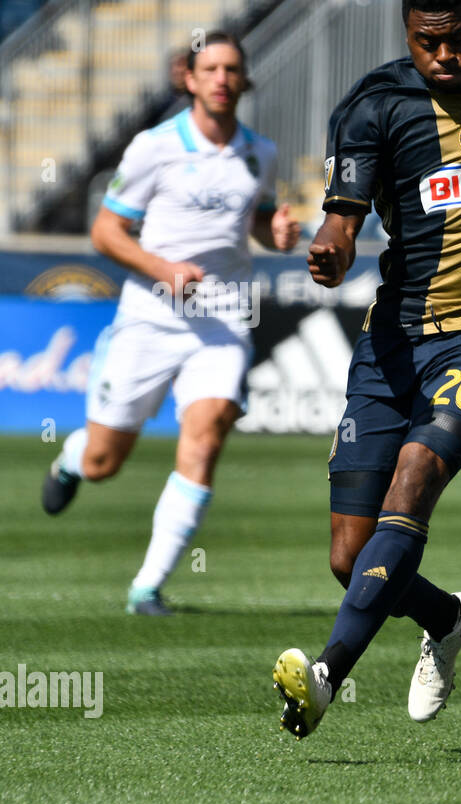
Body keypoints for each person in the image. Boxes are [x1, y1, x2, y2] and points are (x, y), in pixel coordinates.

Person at [271, 0, 461, 739]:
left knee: (416, 475)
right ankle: (447, 617)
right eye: (427, 41)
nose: (444, 54)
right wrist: (331, 248)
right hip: (394, 338)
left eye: (457, 38)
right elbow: (342, 216)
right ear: (407, 33)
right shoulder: (375, 103)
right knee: (350, 556)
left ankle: (328, 673)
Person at [41, 34, 299, 616]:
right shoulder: (153, 148)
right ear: (189, 77)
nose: (222, 79)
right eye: (210, 68)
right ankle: (72, 458)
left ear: (243, 77)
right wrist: (161, 267)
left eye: (232, 68)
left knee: (205, 437)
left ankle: (147, 588)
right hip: (150, 318)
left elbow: (257, 221)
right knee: (106, 461)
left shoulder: (260, 152)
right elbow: (106, 231)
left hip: (225, 320)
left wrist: (275, 234)